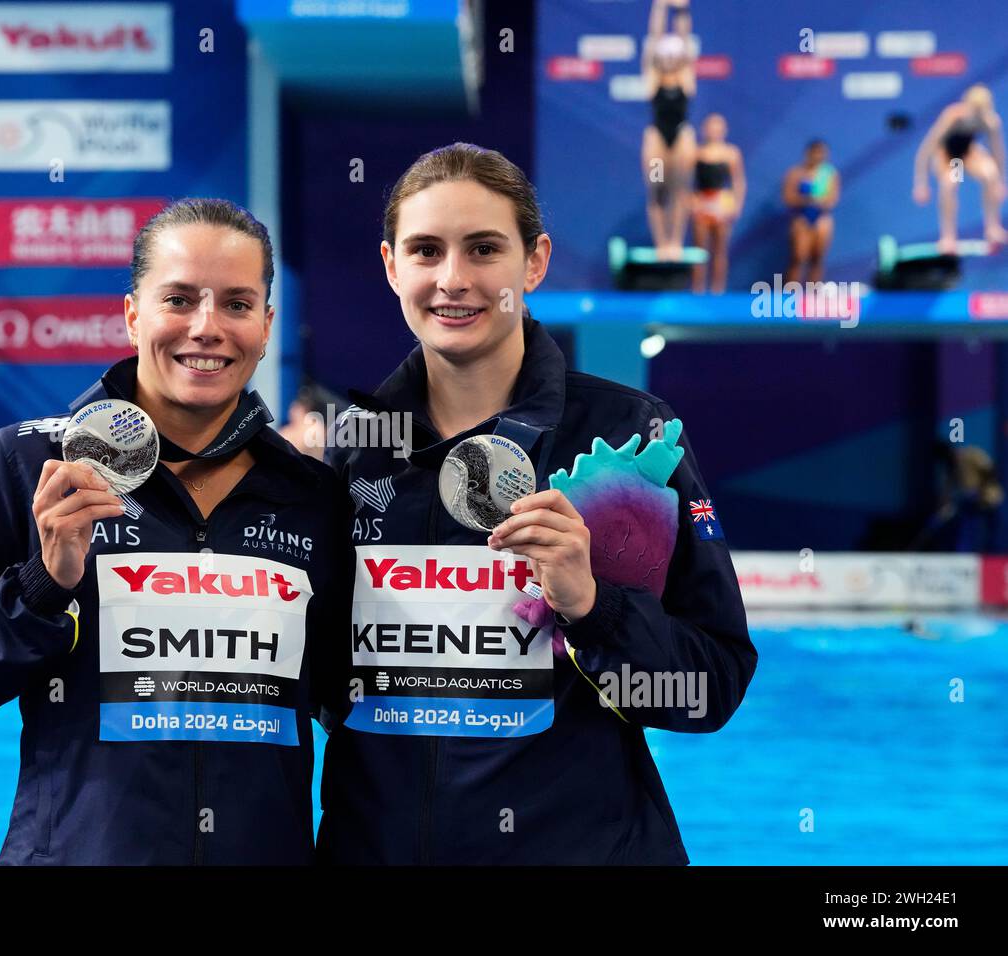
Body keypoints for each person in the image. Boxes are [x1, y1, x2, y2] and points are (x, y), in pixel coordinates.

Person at [316, 143, 757, 864]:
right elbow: (323, 682)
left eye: (483, 249)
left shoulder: (629, 437)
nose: (452, 280)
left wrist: (594, 607)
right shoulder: (358, 447)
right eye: (426, 251)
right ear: (393, 266)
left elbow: (710, 688)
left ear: (534, 261)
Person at [0, 198, 354, 865]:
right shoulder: (27, 464)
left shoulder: (313, 497)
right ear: (132, 313)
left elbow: (356, 707)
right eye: (178, 299)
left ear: (265, 325)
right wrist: (42, 585)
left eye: (236, 304)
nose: (206, 328)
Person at [913, 84, 1008, 254]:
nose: (978, 114)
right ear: (967, 106)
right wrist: (921, 183)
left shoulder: (990, 122)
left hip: (968, 152)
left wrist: (1001, 182)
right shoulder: (953, 117)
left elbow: (998, 153)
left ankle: (992, 227)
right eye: (975, 109)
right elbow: (927, 149)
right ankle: (948, 237)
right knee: (951, 183)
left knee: (989, 173)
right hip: (951, 156)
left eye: (982, 110)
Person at [642, 0, 697, 260]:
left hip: (682, 134)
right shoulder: (653, 78)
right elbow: (653, 39)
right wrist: (660, 6)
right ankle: (660, 243)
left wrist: (682, 9)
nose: (670, 58)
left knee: (680, 190)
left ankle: (675, 242)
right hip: (657, 136)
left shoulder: (687, 76)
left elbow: (685, 40)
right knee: (656, 190)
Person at [690, 113, 745, 293]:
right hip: (702, 202)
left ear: (724, 130)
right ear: (704, 130)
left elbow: (739, 182)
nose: (714, 131)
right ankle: (698, 290)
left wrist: (736, 205)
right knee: (700, 251)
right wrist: (691, 201)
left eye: (718, 127)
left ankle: (717, 292)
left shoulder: (731, 153)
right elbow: (683, 180)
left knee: (720, 250)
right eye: (711, 127)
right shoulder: (696, 153)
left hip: (722, 202)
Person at [782, 139, 839, 284]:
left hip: (821, 218)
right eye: (816, 153)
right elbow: (788, 197)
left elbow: (832, 199)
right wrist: (806, 200)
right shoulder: (796, 173)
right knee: (798, 257)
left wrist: (818, 201)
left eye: (822, 153)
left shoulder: (830, 174)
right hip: (801, 217)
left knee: (817, 258)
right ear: (808, 153)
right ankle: (790, 296)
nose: (818, 156)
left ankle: (813, 296)